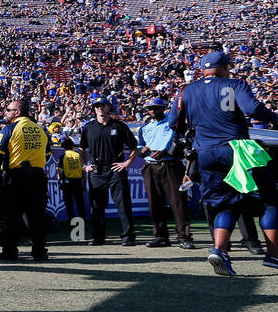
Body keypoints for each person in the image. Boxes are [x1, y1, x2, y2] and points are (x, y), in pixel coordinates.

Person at [167, 50, 278, 276]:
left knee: (226, 203)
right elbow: (252, 109)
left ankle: (219, 251)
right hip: (237, 149)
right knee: (270, 201)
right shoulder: (235, 84)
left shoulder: (186, 90)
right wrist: (275, 118)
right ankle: (274, 255)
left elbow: (173, 122)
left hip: (205, 153)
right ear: (225, 67)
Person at [0, 98, 49, 262]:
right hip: (38, 177)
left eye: (8, 110)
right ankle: (39, 251)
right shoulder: (41, 130)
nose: (5, 112)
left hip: (15, 178)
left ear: (17, 112)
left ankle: (10, 251)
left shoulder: (9, 129)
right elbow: (47, 154)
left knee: (11, 216)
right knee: (36, 216)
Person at [136, 96, 194, 250]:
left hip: (171, 164)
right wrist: (143, 150)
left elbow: (184, 142)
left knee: (178, 202)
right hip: (150, 166)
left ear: (164, 108)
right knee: (154, 203)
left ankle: (184, 236)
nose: (152, 111)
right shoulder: (144, 128)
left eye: (156, 107)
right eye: (150, 108)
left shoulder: (174, 123)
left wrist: (166, 151)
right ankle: (160, 236)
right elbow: (140, 149)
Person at [79, 96, 138, 246]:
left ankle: (128, 237)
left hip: (115, 169)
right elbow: (81, 148)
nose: (99, 108)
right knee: (97, 207)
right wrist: (85, 165)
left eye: (102, 105)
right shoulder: (88, 127)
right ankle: (98, 237)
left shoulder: (119, 126)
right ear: (94, 108)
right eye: (97, 106)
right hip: (96, 172)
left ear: (108, 107)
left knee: (123, 204)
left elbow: (133, 146)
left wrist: (127, 163)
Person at [56, 136, 86, 225]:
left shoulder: (63, 156)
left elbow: (60, 171)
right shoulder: (78, 155)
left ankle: (72, 224)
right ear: (73, 146)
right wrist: (84, 184)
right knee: (80, 204)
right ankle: (83, 223)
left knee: (69, 205)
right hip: (78, 182)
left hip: (67, 183)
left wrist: (59, 181)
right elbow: (84, 171)